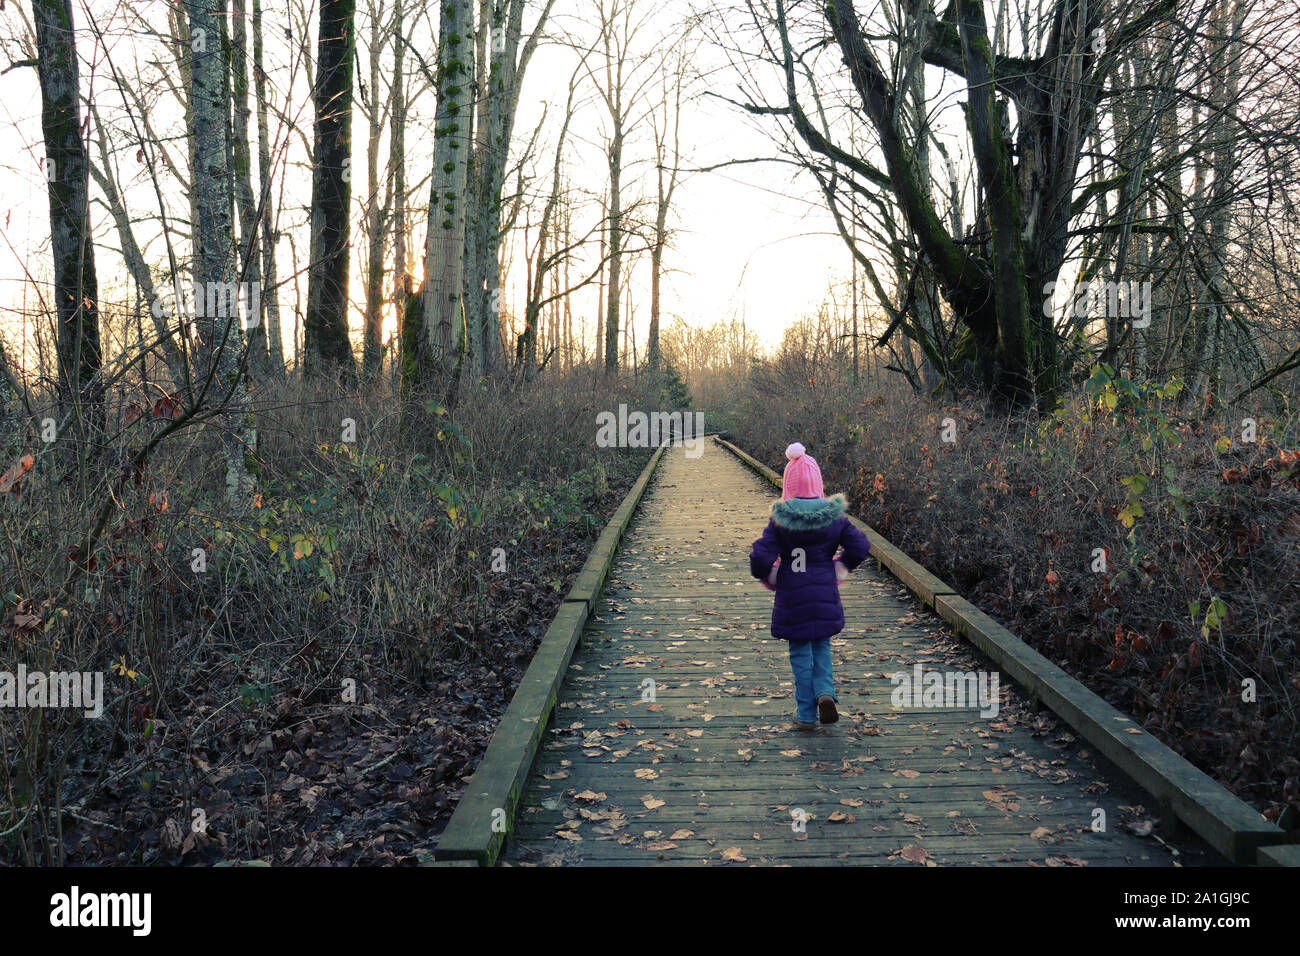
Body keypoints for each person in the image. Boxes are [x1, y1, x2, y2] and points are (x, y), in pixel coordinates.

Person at [749, 442, 871, 731]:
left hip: (793, 595)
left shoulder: (781, 519)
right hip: (824, 592)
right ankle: (825, 692)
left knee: (800, 654)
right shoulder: (835, 518)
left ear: (788, 486)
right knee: (822, 646)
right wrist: (840, 566)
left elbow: (759, 556)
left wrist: (772, 575)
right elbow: (860, 545)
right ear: (819, 483)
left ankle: (805, 714)